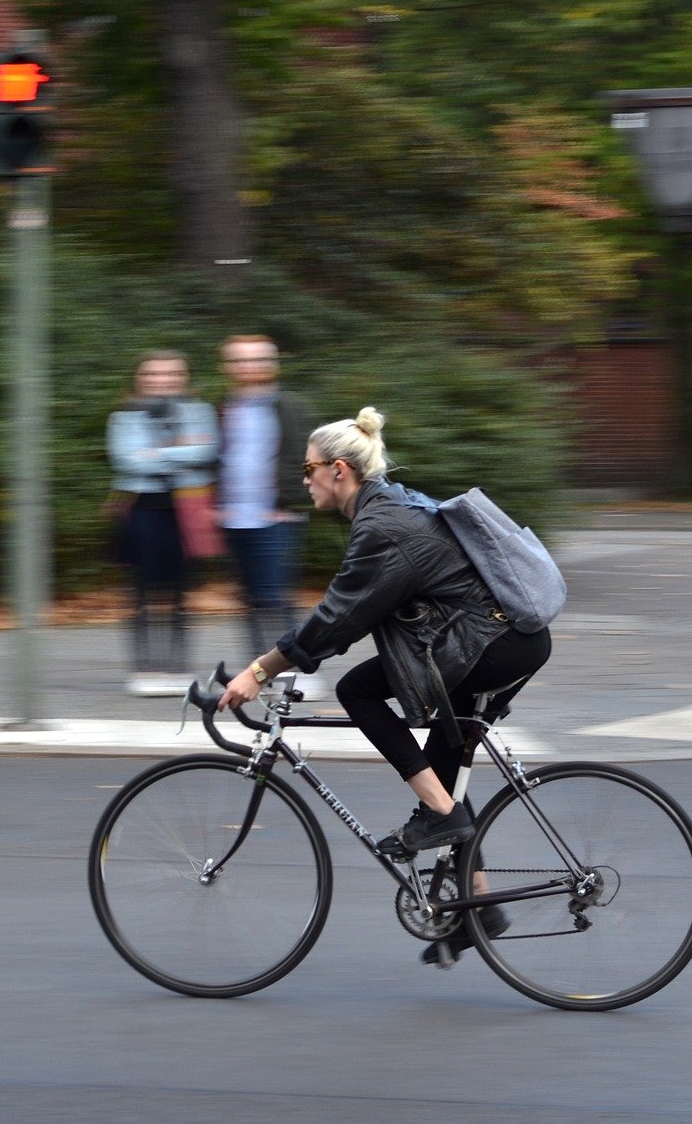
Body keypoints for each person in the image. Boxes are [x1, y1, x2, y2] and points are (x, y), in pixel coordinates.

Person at [219, 407, 551, 965]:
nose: (304, 481)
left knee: (360, 693)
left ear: (340, 470)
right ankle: (480, 910)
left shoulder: (382, 528)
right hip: (496, 638)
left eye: (308, 469)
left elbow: (338, 618)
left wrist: (260, 670)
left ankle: (444, 821)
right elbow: (349, 614)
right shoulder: (387, 508)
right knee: (446, 775)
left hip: (492, 644)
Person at [107, 351, 218, 696]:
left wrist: (155, 453)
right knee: (139, 592)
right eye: (153, 374)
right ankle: (145, 668)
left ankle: (177, 667)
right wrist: (179, 449)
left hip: (185, 507)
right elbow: (126, 461)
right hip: (141, 508)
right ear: (140, 378)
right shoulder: (123, 417)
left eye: (171, 373)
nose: (162, 379)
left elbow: (207, 452)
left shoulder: (200, 412)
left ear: (183, 377)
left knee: (180, 592)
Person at [215, 335, 312, 670]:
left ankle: (298, 669)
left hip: (276, 516)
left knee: (278, 598)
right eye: (240, 360)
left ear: (272, 364)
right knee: (250, 598)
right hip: (234, 517)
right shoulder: (222, 406)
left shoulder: (290, 406)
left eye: (257, 359)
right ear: (228, 366)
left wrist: (292, 501)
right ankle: (259, 669)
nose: (249, 366)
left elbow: (308, 455)